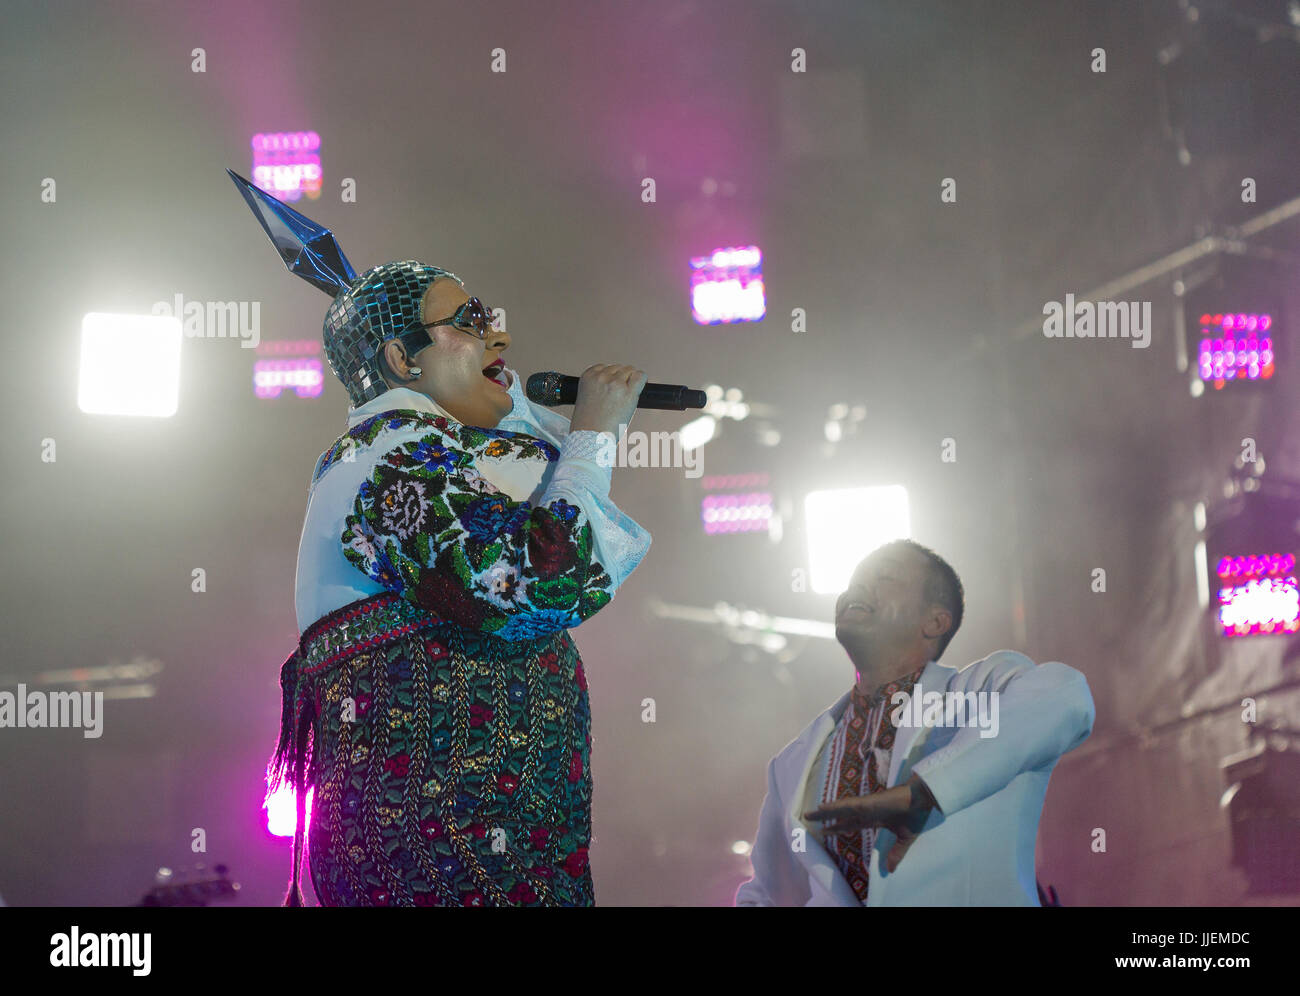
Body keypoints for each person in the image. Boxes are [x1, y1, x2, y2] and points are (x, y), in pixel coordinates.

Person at [229, 170, 651, 906]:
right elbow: (541, 581)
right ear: (400, 361)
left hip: (489, 862)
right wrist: (591, 438)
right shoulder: (386, 458)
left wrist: (523, 404)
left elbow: (534, 490)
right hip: (438, 867)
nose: (502, 332)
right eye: (473, 319)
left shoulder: (425, 453)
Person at [735, 539, 1094, 906]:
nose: (855, 589)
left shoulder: (979, 695)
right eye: (853, 580)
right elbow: (766, 894)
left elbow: (1067, 695)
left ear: (935, 622)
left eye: (885, 576)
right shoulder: (794, 763)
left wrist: (928, 792)